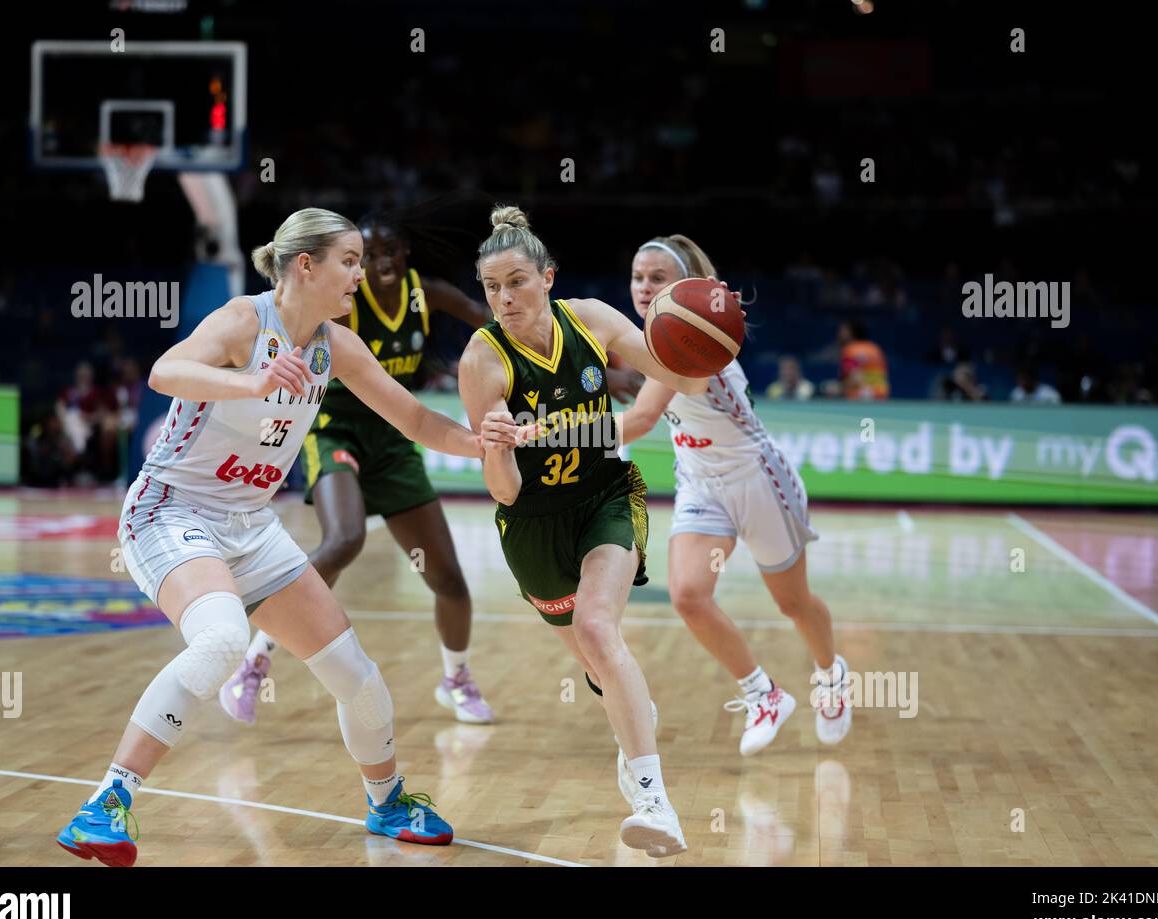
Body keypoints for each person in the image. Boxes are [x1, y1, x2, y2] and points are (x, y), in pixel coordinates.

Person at [56, 208, 486, 866]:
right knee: (223, 637)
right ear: (305, 266)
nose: (360, 273)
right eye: (348, 261)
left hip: (251, 526)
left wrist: (484, 442)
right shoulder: (242, 321)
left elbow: (415, 419)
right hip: (173, 511)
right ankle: (105, 803)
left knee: (359, 678)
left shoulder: (336, 346)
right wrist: (249, 380)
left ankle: (388, 798)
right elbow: (165, 372)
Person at [457, 206, 712, 858]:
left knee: (599, 628)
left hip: (604, 496)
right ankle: (631, 717)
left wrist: (702, 342)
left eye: (516, 282)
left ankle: (653, 799)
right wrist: (497, 448)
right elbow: (506, 491)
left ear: (547, 277)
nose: (504, 298)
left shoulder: (591, 319)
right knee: (600, 666)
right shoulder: (483, 359)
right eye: (491, 287)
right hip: (531, 525)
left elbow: (675, 372)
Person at [219, 212, 497, 726]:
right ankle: (256, 660)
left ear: (405, 253)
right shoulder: (342, 309)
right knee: (345, 539)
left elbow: (489, 322)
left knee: (449, 580)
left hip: (393, 440)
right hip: (335, 429)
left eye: (390, 250)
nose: (381, 262)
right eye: (366, 257)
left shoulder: (425, 294)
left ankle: (455, 678)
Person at [616, 234, 851, 758]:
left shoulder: (696, 340)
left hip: (757, 479)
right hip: (701, 481)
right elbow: (630, 376)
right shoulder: (655, 338)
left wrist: (557, 433)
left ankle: (830, 672)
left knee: (793, 602)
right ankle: (763, 694)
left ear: (683, 287)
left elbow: (641, 418)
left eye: (657, 277)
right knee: (688, 595)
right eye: (638, 276)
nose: (644, 286)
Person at [838, 319, 889, 400]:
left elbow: (854, 379)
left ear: (851, 332)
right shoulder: (875, 349)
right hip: (881, 395)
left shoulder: (850, 350)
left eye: (842, 331)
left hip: (858, 397)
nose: (839, 334)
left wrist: (837, 389)